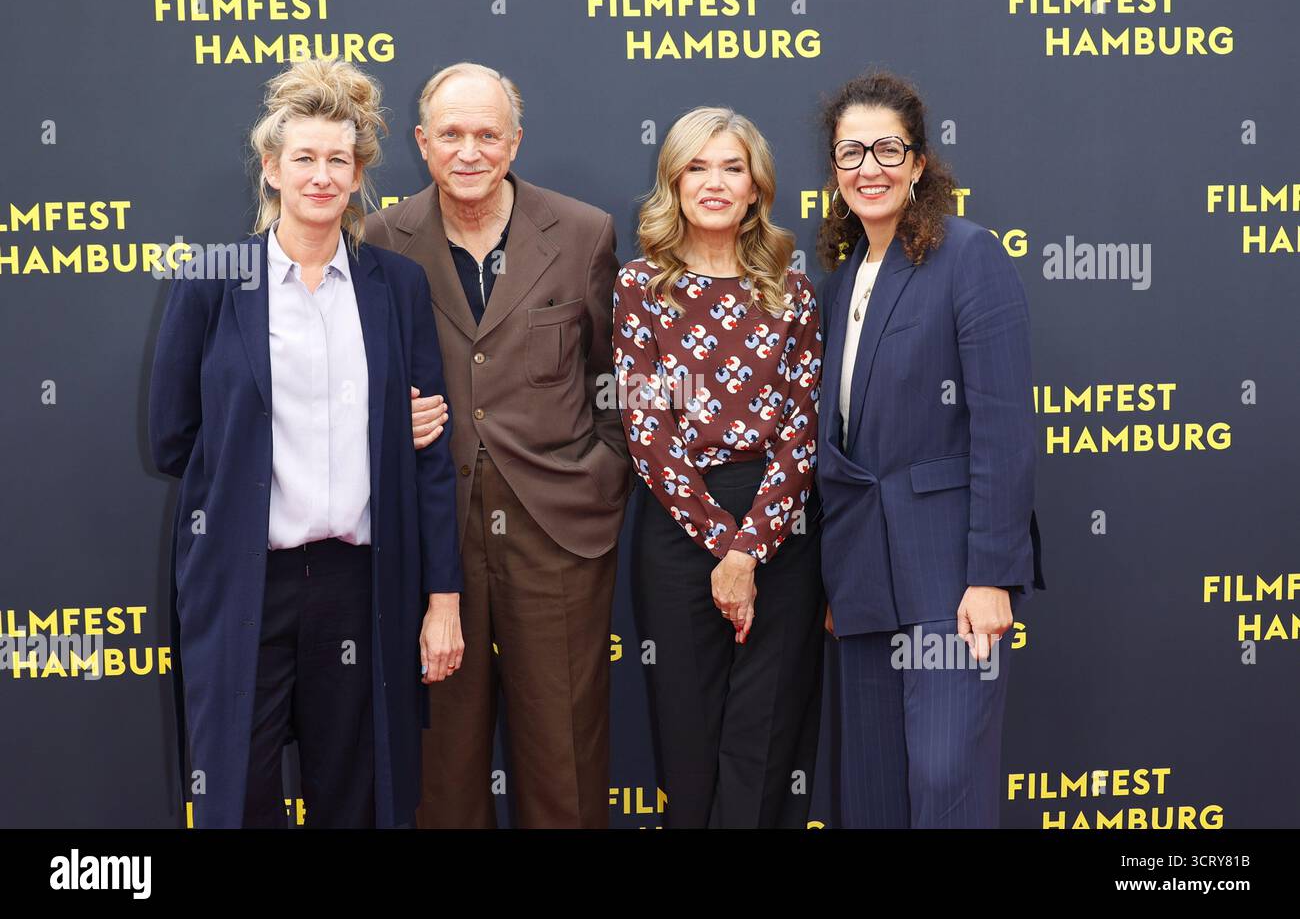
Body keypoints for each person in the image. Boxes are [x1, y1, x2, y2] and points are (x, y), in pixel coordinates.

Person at [149, 58, 462, 828]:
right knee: (237, 793)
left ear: (358, 175)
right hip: (245, 582)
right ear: (271, 167)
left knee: (353, 793)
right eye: (304, 158)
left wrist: (443, 595)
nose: (322, 176)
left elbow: (427, 459)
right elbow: (172, 436)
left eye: (339, 160)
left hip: (360, 586)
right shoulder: (211, 281)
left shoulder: (397, 287)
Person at [364, 63, 628, 828]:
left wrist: (600, 478)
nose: (469, 151)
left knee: (565, 762)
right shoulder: (381, 238)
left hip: (558, 536)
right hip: (431, 539)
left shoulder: (582, 232)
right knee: (440, 768)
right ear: (422, 142)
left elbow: (612, 378)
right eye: (451, 134)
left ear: (515, 141)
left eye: (487, 134)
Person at [814, 70, 1044, 828]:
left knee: (946, 783)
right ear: (834, 167)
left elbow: (1003, 427)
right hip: (863, 589)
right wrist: (838, 583)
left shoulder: (968, 255)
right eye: (851, 152)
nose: (868, 168)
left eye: (888, 149)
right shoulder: (843, 280)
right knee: (874, 794)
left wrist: (992, 574)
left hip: (951, 583)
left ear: (919, 163)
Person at [615, 107, 824, 827]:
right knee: (688, 739)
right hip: (679, 529)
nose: (714, 182)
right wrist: (721, 544)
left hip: (781, 528)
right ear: (672, 181)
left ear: (756, 186)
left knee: (764, 739)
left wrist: (751, 546)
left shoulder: (792, 290)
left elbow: (802, 430)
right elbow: (647, 430)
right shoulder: (639, 286)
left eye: (731, 167)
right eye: (697, 166)